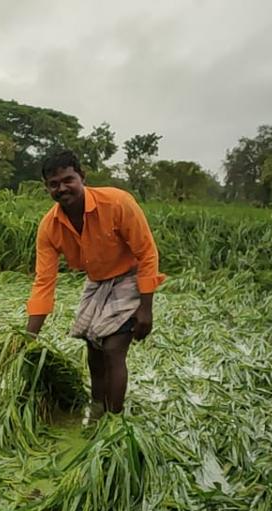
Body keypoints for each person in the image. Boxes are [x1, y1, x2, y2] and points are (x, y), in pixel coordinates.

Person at [24, 149, 166, 418]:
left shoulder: (117, 203)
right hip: (97, 280)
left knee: (113, 349)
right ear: (47, 189)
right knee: (93, 347)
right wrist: (28, 337)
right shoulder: (49, 227)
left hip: (129, 276)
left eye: (68, 180)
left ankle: (114, 421)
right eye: (54, 185)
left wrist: (146, 309)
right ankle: (97, 409)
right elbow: (44, 282)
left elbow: (147, 252)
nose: (62, 188)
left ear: (82, 177)